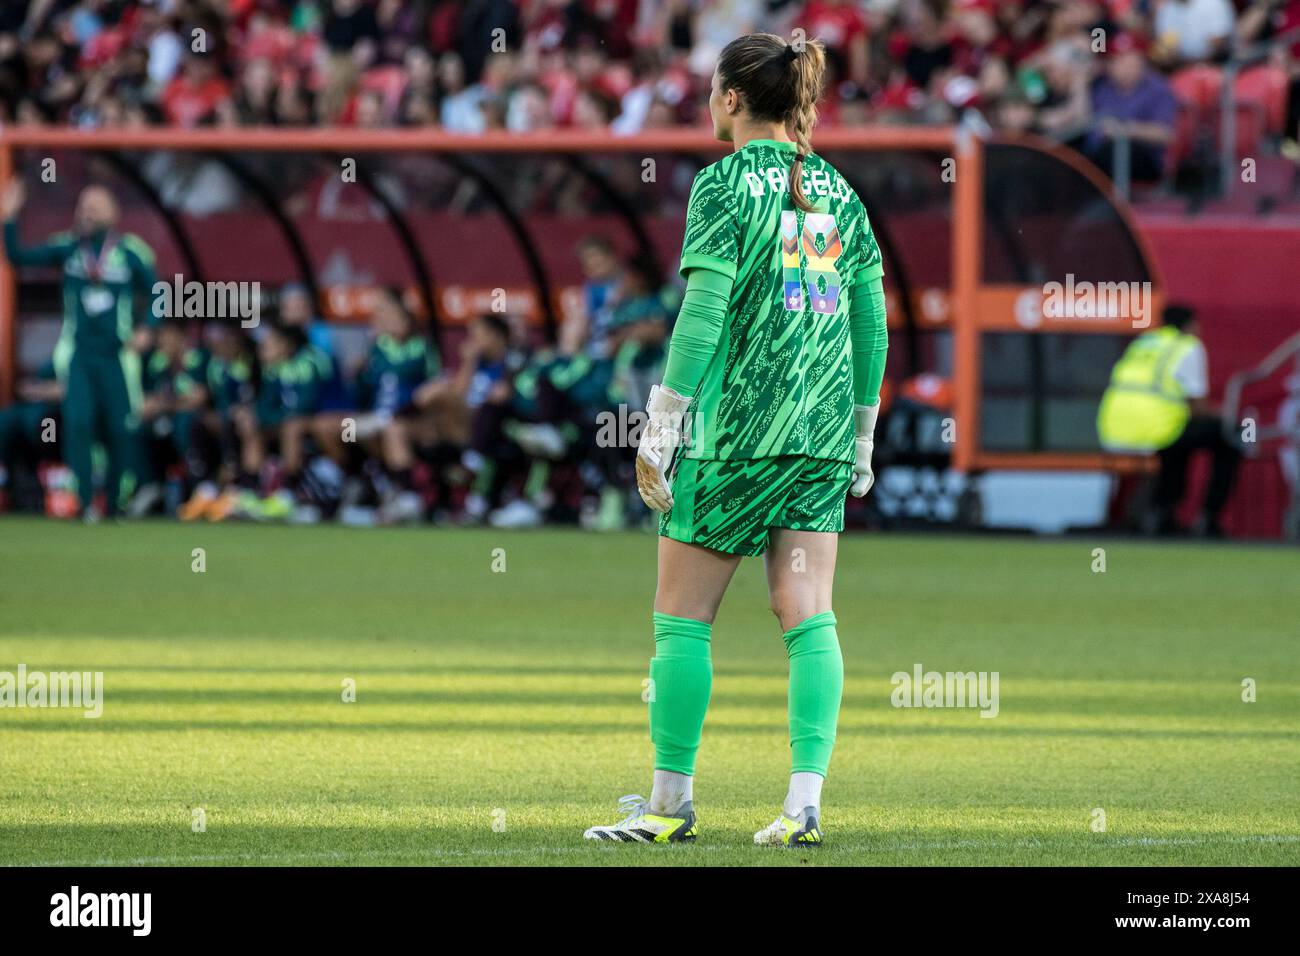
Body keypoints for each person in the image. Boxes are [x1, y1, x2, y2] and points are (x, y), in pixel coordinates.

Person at [582, 33, 889, 847]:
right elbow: (870, 322)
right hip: (819, 434)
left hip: (738, 434)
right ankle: (803, 804)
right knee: (808, 613)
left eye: (710, 91)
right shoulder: (837, 193)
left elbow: (704, 311)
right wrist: (861, 434)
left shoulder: (723, 186)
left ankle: (669, 804)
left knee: (682, 618)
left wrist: (663, 421)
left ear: (730, 99)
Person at [2, 180, 159, 519]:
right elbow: (18, 256)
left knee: (120, 428)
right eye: (82, 205)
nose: (86, 212)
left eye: (94, 206)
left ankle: (117, 503)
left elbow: (160, 293)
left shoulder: (131, 251)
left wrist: (148, 328)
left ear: (113, 212)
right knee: (78, 423)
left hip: (118, 357)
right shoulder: (68, 247)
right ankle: (86, 502)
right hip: (80, 356)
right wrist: (9, 217)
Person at [1097, 304, 1240, 536]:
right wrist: (1223, 415)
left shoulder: (1144, 342)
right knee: (1232, 434)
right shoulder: (1188, 347)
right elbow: (1197, 405)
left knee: (1181, 440)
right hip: (1155, 429)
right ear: (1190, 325)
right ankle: (1208, 518)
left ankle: (1163, 511)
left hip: (1112, 429)